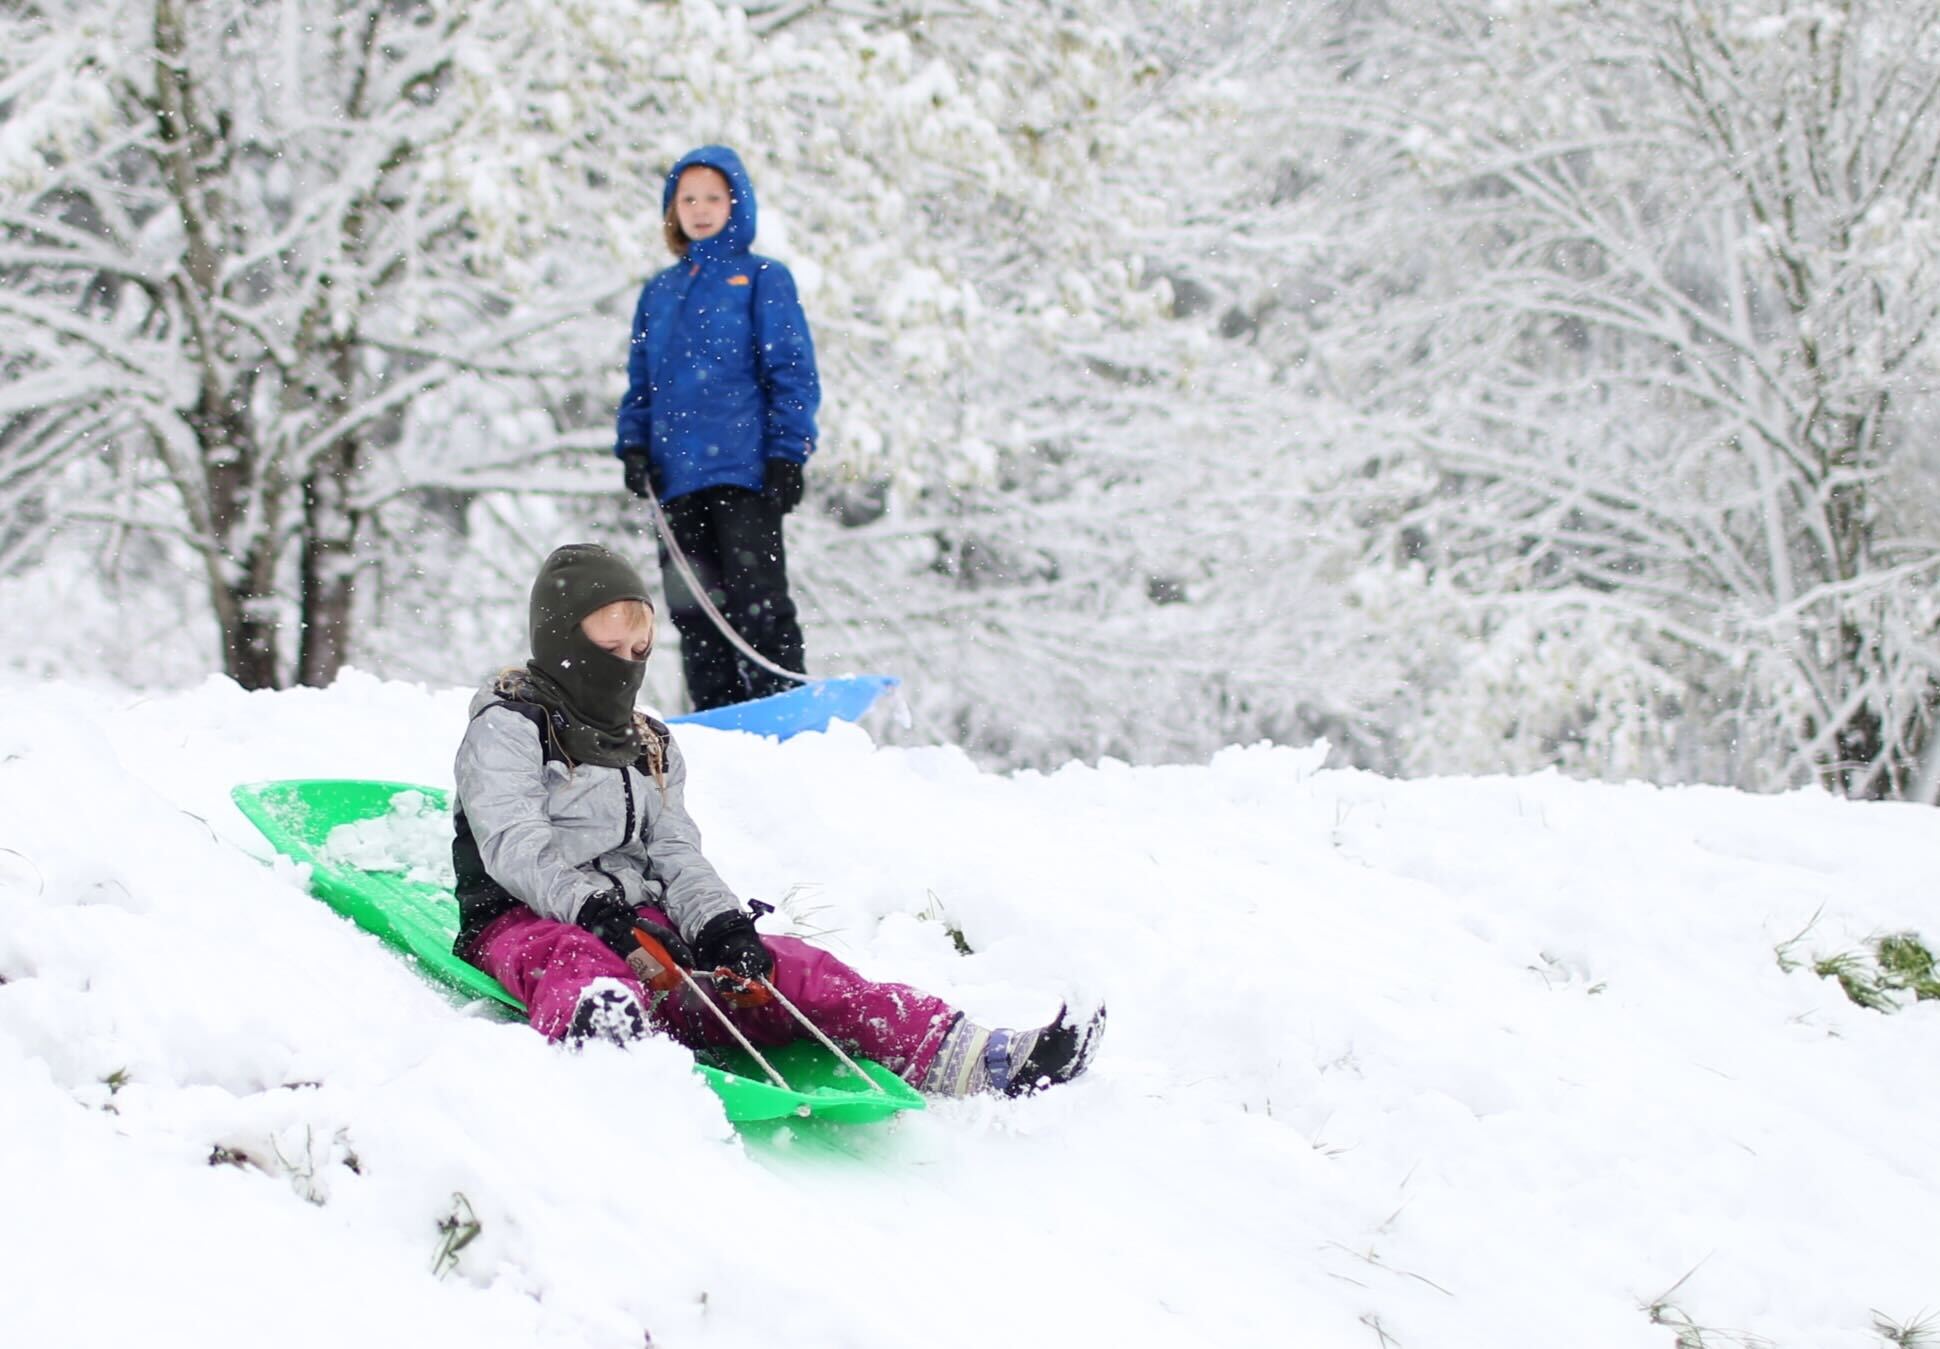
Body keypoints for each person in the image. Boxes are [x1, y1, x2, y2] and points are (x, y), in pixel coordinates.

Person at [450, 543, 1103, 1098]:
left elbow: (676, 853)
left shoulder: (649, 742)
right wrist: (595, 912)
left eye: (638, 646)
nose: (627, 663)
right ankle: (612, 1048)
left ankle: (969, 1054)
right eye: (610, 646)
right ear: (564, 641)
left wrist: (721, 924)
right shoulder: (510, 725)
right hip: (524, 918)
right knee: (573, 959)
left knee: (792, 968)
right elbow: (514, 842)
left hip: (639, 925)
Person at [614, 145, 818, 712]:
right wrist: (632, 443)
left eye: (714, 197)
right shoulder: (659, 292)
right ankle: (719, 720)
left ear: (737, 203)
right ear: (672, 210)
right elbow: (641, 382)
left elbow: (791, 371)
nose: (700, 209)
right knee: (693, 611)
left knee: (757, 603)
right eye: (688, 198)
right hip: (675, 478)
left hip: (745, 472)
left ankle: (784, 707)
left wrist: (788, 453)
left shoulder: (761, 280)